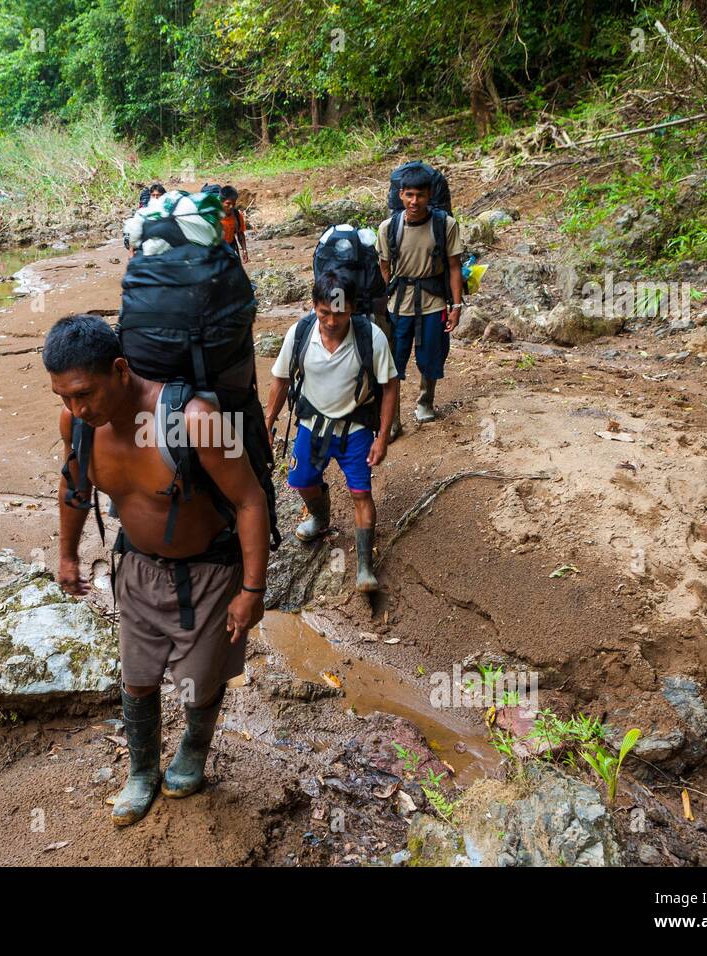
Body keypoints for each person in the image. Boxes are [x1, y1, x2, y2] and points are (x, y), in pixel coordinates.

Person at [47, 314, 269, 826]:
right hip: (138, 569)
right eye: (63, 397)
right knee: (138, 678)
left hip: (211, 572)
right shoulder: (77, 424)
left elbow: (250, 500)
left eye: (84, 394)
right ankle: (142, 770)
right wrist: (67, 554)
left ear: (121, 370)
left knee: (198, 680)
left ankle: (193, 749)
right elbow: (75, 488)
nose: (76, 409)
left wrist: (252, 589)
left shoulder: (195, 421)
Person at [263, 271, 399, 592]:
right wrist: (267, 423)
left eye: (339, 313)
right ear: (314, 307)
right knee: (302, 482)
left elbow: (390, 385)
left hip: (356, 429)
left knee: (360, 493)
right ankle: (320, 517)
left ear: (352, 308)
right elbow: (281, 380)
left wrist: (382, 437)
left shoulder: (371, 337)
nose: (331, 321)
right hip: (313, 426)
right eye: (324, 312)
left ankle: (365, 566)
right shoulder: (300, 333)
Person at [376, 166, 463, 429]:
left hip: (433, 302)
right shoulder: (388, 228)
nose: (415, 202)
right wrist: (380, 308)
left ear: (429, 195)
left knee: (432, 355)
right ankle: (393, 418)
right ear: (400, 194)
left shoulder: (445, 225)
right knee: (392, 362)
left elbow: (455, 266)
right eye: (409, 195)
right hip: (398, 304)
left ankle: (426, 401)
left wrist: (457, 305)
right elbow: (384, 268)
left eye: (421, 195)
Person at [220, 185, 248, 264]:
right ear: (221, 202)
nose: (231, 206)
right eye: (228, 203)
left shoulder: (236, 215)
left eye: (234, 203)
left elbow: (240, 233)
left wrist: (244, 250)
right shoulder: (213, 216)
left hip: (231, 246)